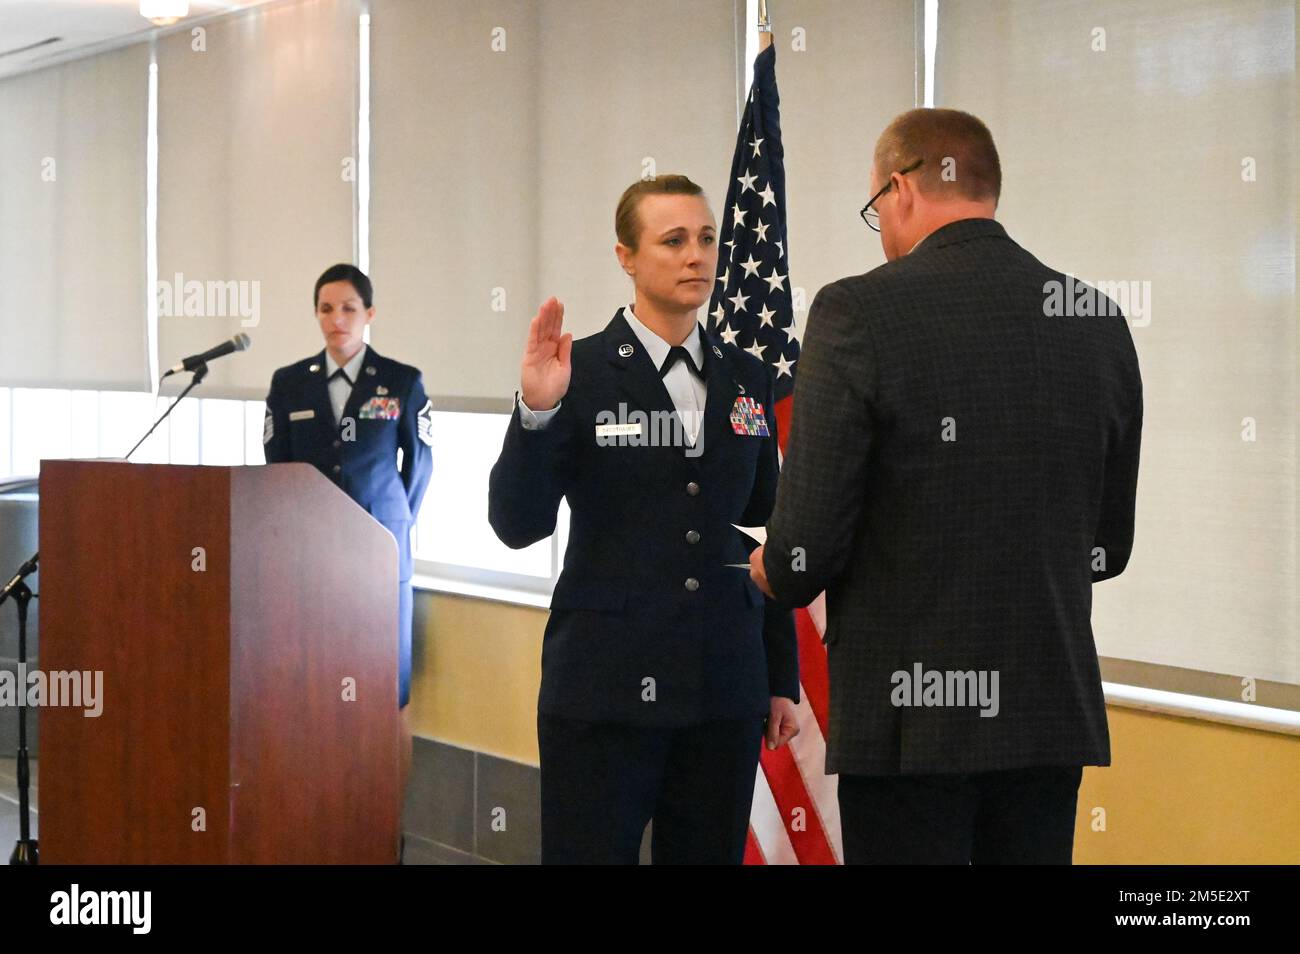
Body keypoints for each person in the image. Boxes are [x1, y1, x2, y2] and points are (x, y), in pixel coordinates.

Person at [751, 108, 1143, 864]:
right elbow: (1108, 545)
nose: (882, 232)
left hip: (911, 728)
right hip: (1044, 717)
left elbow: (804, 554)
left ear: (900, 189)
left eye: (876, 209)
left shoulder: (858, 310)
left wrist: (772, 566)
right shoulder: (1097, 318)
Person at [488, 174, 800, 865]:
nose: (697, 256)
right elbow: (516, 523)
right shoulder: (580, 370)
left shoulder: (746, 376)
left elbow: (764, 533)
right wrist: (537, 412)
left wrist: (781, 675)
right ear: (626, 257)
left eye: (707, 239)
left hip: (723, 686)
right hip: (605, 687)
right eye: (674, 240)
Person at [263, 263, 433, 858]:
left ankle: (385, 833)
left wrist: (387, 529)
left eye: (348, 308)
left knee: (391, 698)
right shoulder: (290, 384)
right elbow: (276, 470)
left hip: (383, 562)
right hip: (308, 562)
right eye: (326, 308)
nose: (337, 319)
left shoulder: (402, 381)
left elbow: (420, 469)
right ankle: (317, 824)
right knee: (309, 689)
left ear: (369, 314)